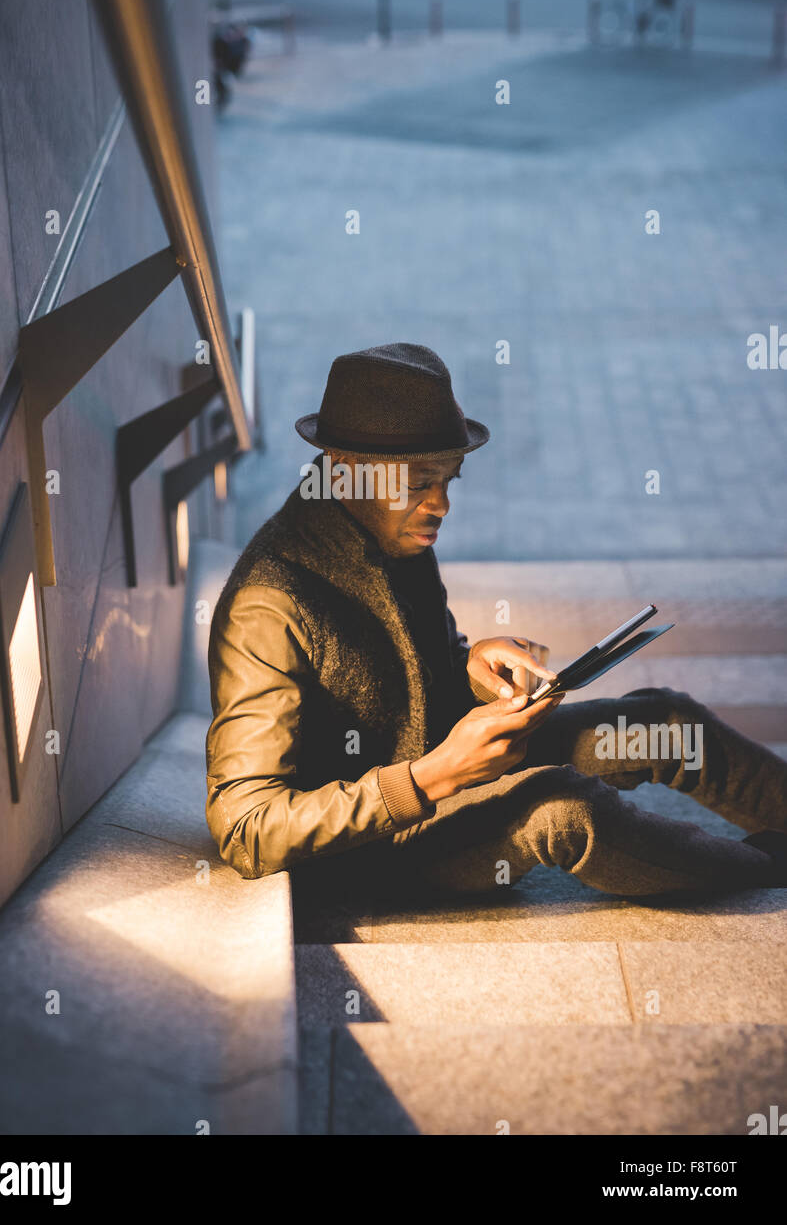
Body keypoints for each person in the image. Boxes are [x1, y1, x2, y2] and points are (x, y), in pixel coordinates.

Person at [205, 343, 787, 905]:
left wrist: (476, 670)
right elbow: (247, 830)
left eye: (447, 481)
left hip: (447, 773)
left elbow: (415, 686)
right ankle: (766, 865)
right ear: (348, 470)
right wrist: (434, 774)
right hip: (374, 850)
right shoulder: (269, 606)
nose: (441, 505)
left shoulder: (388, 528)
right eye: (418, 485)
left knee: (666, 723)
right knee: (561, 810)